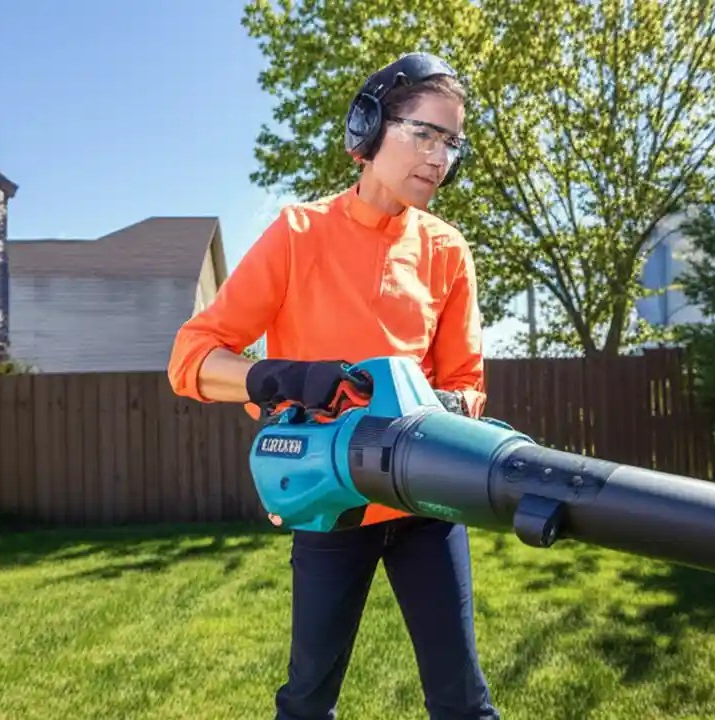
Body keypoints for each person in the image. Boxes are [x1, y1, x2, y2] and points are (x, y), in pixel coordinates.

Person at [167, 52, 500, 720]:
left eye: (452, 143)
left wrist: (432, 408)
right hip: (331, 499)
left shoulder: (446, 250)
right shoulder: (298, 234)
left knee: (462, 701)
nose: (440, 158)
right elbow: (191, 361)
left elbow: (467, 384)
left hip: (425, 495)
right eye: (424, 134)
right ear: (370, 127)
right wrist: (283, 377)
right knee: (308, 699)